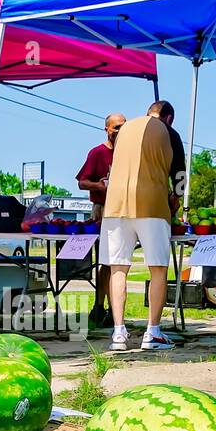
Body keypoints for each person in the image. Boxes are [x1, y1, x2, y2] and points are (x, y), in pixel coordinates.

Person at [101, 100, 186, 351]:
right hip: (152, 204)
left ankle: (118, 334)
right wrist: (176, 200)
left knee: (118, 269)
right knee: (158, 269)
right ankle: (153, 333)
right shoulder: (169, 132)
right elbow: (179, 176)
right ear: (168, 118)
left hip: (115, 206)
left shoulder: (125, 129)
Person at [76, 112, 126, 330]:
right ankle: (99, 307)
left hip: (126, 210)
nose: (119, 131)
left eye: (123, 126)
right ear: (107, 129)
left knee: (118, 262)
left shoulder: (129, 152)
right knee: (106, 261)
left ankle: (111, 311)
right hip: (104, 210)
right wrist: (100, 186)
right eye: (116, 127)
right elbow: (82, 182)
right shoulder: (98, 153)